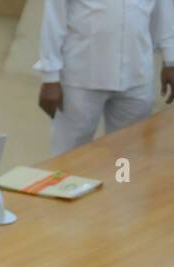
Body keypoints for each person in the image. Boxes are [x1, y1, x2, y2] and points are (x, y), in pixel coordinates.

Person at [35, 0, 174, 155]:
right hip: (82, 77)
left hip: (136, 75)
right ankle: (70, 180)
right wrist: (50, 77)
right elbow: (53, 17)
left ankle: (122, 180)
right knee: (69, 153)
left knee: (128, 152)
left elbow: (165, 12)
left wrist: (170, 60)